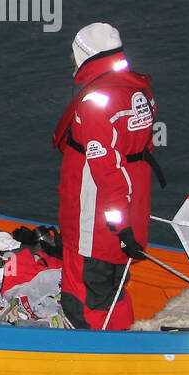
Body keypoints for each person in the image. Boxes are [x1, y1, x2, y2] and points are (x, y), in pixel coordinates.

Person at [53, 22, 160, 330]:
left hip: (94, 226)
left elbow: (106, 172)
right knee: (114, 291)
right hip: (130, 216)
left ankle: (95, 361)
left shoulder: (94, 103)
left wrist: (119, 225)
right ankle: (127, 345)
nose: (71, 62)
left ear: (86, 56)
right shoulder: (140, 93)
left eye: (73, 56)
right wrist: (128, 228)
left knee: (84, 297)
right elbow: (139, 150)